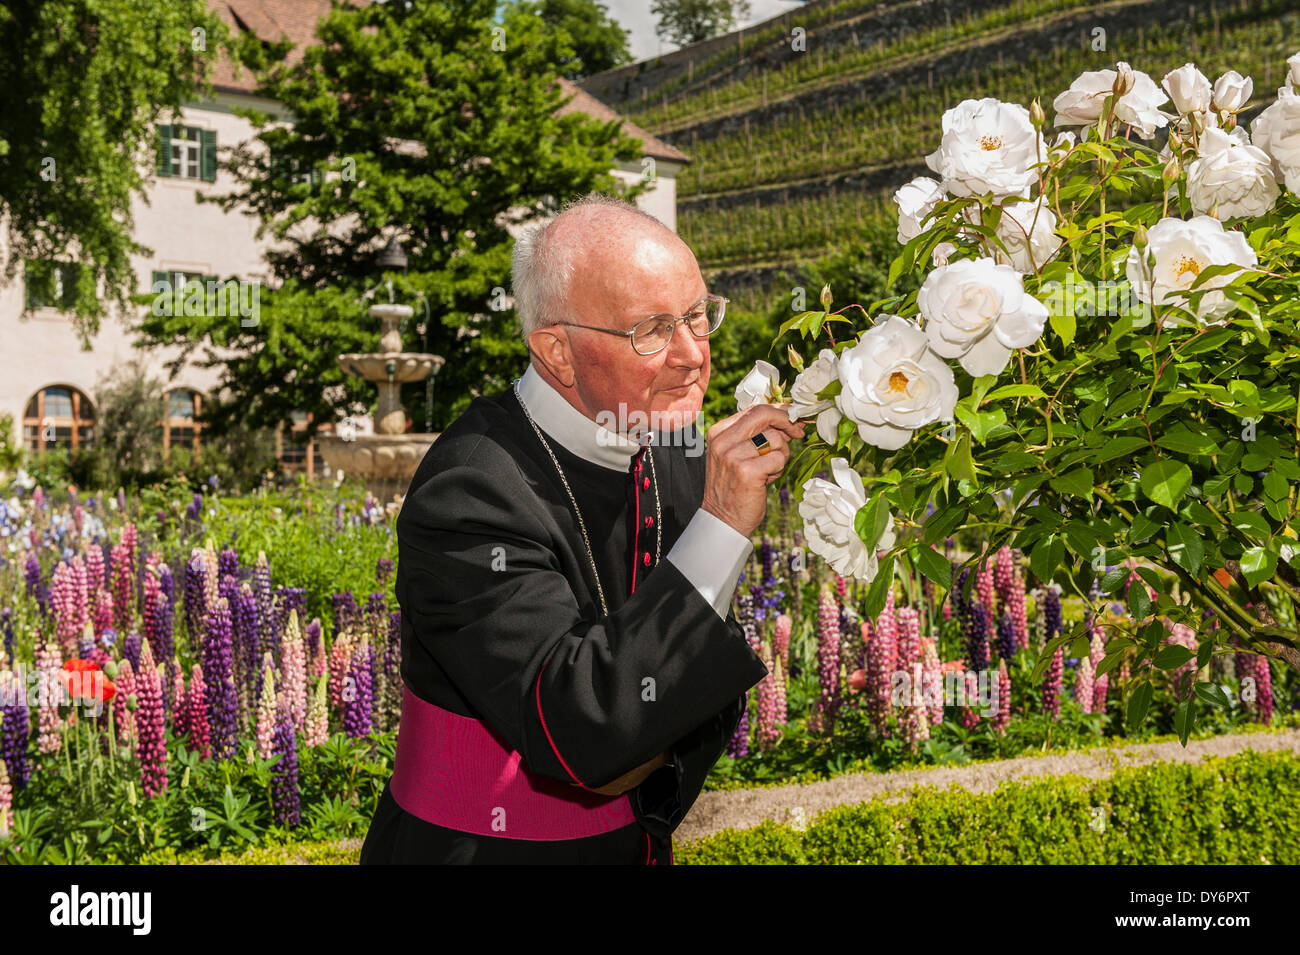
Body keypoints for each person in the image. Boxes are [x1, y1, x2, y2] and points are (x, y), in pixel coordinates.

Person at [359, 192, 805, 864]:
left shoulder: (675, 446)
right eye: (652, 329)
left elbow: (683, 697)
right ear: (558, 354)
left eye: (697, 316)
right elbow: (580, 730)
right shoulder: (470, 489)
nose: (693, 355)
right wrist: (718, 526)